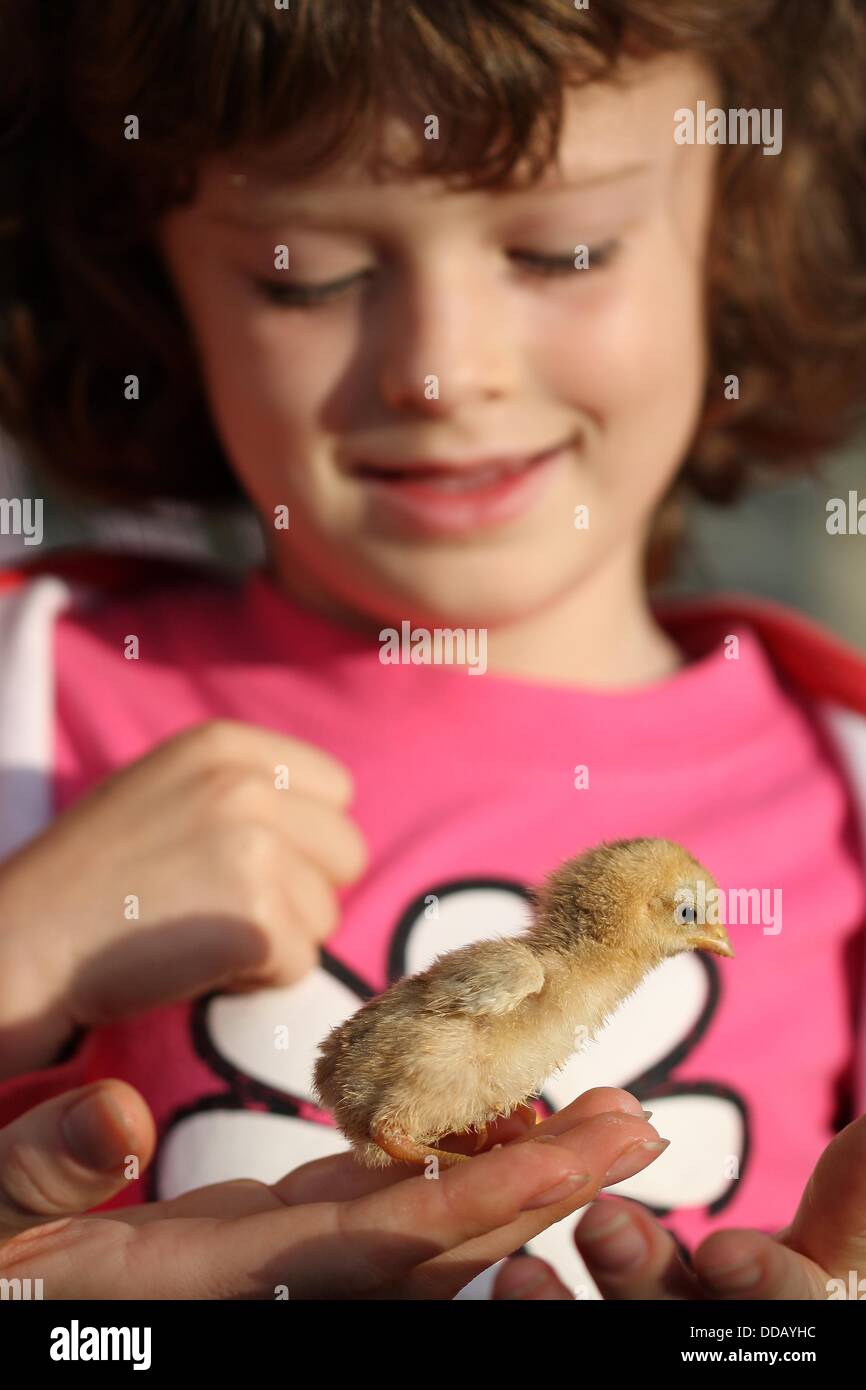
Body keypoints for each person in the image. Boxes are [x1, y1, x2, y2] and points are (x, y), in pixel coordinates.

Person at [0, 0, 865, 1301]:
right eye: (307, 273)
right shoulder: (28, 700)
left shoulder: (843, 784)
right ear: (145, 278)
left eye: (565, 252)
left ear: (736, 234)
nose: (439, 369)